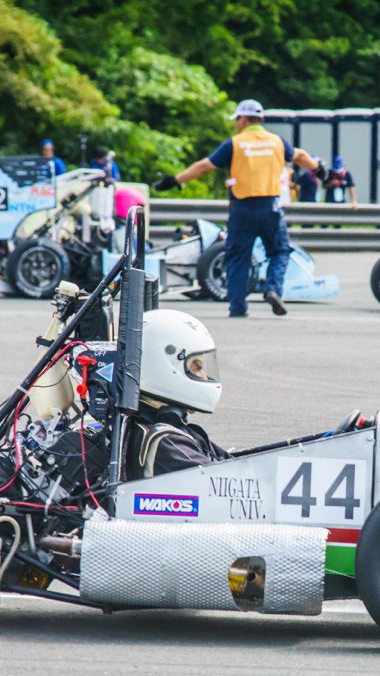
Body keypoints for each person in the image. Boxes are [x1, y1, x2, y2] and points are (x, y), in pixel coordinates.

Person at [153, 99, 328, 318]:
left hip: (242, 208)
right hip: (270, 208)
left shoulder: (235, 144)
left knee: (237, 256)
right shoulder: (276, 142)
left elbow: (204, 166)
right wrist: (318, 169)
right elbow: (300, 156)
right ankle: (273, 288)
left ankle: (237, 306)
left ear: (244, 119)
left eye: (237, 120)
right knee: (279, 250)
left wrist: (175, 180)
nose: (237, 124)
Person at [129, 309, 231, 478]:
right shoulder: (168, 444)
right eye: (197, 367)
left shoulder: (178, 430)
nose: (204, 376)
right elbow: (225, 485)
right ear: (162, 366)